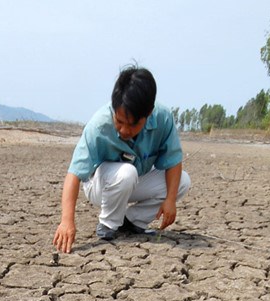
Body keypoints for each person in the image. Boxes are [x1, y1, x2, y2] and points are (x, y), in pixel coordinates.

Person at [53, 65, 191, 253]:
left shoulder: (163, 118)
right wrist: (67, 221)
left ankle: (132, 221)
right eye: (119, 122)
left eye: (133, 125)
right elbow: (74, 174)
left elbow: (173, 161)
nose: (125, 130)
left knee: (182, 181)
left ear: (148, 113)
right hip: (100, 185)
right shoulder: (99, 125)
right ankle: (108, 225)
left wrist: (170, 200)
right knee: (127, 172)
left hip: (134, 179)